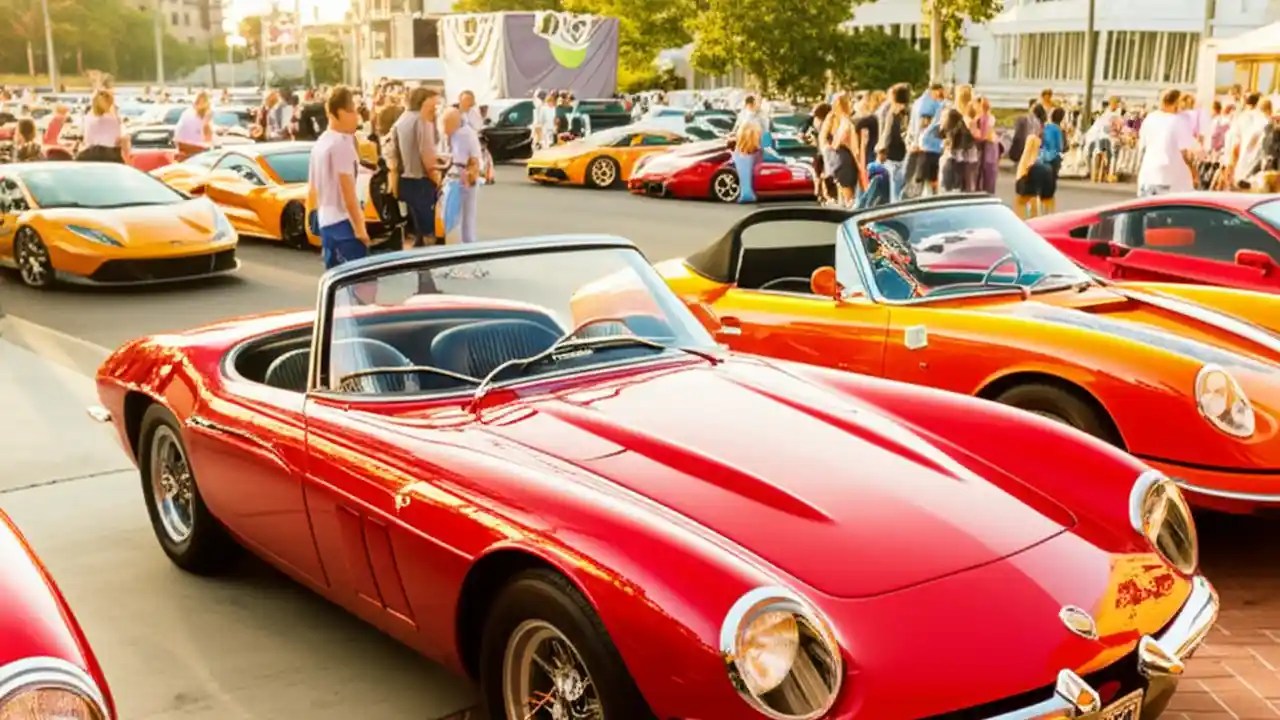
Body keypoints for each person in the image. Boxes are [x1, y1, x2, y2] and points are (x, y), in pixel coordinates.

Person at [307, 87, 369, 269]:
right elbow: (347, 191)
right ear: (339, 113)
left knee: (336, 283)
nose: (357, 116)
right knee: (361, 287)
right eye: (353, 111)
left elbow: (313, 189)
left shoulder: (320, 144)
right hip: (344, 223)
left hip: (326, 222)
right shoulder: (341, 144)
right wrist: (360, 229)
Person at [389, 87, 443, 250]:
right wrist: (437, 178)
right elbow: (426, 154)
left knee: (417, 226)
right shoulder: (422, 120)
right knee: (429, 229)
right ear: (424, 102)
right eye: (434, 104)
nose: (435, 108)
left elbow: (393, 152)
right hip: (421, 180)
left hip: (405, 179)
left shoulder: (402, 119)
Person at [440, 107, 485, 277]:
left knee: (459, 222)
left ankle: (464, 263)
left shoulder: (464, 134)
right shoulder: (458, 133)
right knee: (460, 221)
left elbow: (470, 159)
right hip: (459, 179)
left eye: (446, 124)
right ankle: (465, 262)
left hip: (463, 180)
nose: (443, 128)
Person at [1137, 88, 1197, 197]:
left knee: (1148, 211)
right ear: (1176, 103)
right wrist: (1194, 171)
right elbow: (1185, 152)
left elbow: (1143, 145)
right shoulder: (1178, 121)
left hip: (1148, 174)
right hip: (1170, 177)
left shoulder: (1150, 118)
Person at [876, 83, 911, 202]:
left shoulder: (893, 112)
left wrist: (881, 149)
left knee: (895, 188)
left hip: (893, 154)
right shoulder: (909, 111)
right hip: (907, 153)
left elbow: (887, 133)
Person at [78, 89, 129, 163]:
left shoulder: (87, 119)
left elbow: (86, 140)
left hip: (89, 155)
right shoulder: (115, 119)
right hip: (111, 156)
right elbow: (119, 140)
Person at [1014, 134, 1054, 218]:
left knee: (1023, 203)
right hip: (1046, 182)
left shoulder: (1026, 161)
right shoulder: (1043, 160)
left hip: (1027, 180)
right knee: (1046, 205)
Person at [1084, 97, 1123, 183]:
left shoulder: (1113, 114)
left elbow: (1118, 128)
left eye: (1116, 103)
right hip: (1103, 137)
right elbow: (1099, 127)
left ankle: (1109, 172)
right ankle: (1106, 172)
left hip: (1106, 138)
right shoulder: (1105, 114)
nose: (1116, 105)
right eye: (1115, 103)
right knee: (1112, 151)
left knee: (1114, 150)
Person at [174, 91, 213, 160]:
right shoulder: (204, 116)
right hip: (199, 154)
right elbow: (207, 138)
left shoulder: (186, 113)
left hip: (184, 152)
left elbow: (177, 136)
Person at [973, 95, 999, 194]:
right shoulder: (989, 117)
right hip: (989, 147)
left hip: (986, 147)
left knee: (985, 174)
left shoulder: (982, 118)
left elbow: (983, 135)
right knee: (988, 175)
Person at [1008, 99, 1041, 164]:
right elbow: (1017, 135)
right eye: (1034, 106)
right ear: (1030, 107)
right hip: (1023, 147)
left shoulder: (1037, 120)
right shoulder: (1023, 119)